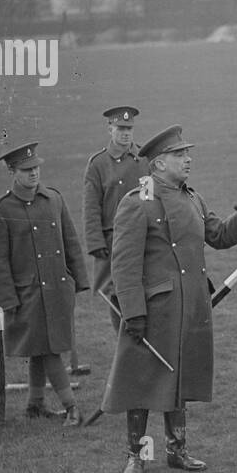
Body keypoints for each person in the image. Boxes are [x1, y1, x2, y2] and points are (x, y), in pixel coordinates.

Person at [98, 125, 237, 473]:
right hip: (154, 311)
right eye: (179, 155)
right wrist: (134, 313)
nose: (188, 159)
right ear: (158, 165)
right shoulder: (136, 202)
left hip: (191, 305)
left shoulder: (191, 198)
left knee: (179, 377)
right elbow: (123, 265)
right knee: (141, 381)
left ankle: (177, 450)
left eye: (187, 153)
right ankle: (136, 456)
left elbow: (216, 234)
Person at [0, 141, 90, 425]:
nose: (34, 174)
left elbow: (71, 241)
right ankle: (72, 407)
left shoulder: (54, 200)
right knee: (47, 350)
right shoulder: (3, 209)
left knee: (43, 348)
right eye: (26, 169)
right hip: (28, 295)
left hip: (58, 291)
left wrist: (78, 280)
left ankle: (35, 404)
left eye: (36, 168)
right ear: (12, 171)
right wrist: (8, 301)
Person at [83, 106, 147, 334]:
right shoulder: (98, 164)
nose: (125, 133)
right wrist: (96, 244)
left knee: (143, 289)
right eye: (120, 128)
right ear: (109, 128)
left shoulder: (144, 159)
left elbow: (150, 200)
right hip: (112, 242)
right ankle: (124, 344)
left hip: (142, 238)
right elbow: (91, 208)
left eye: (129, 128)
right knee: (116, 293)